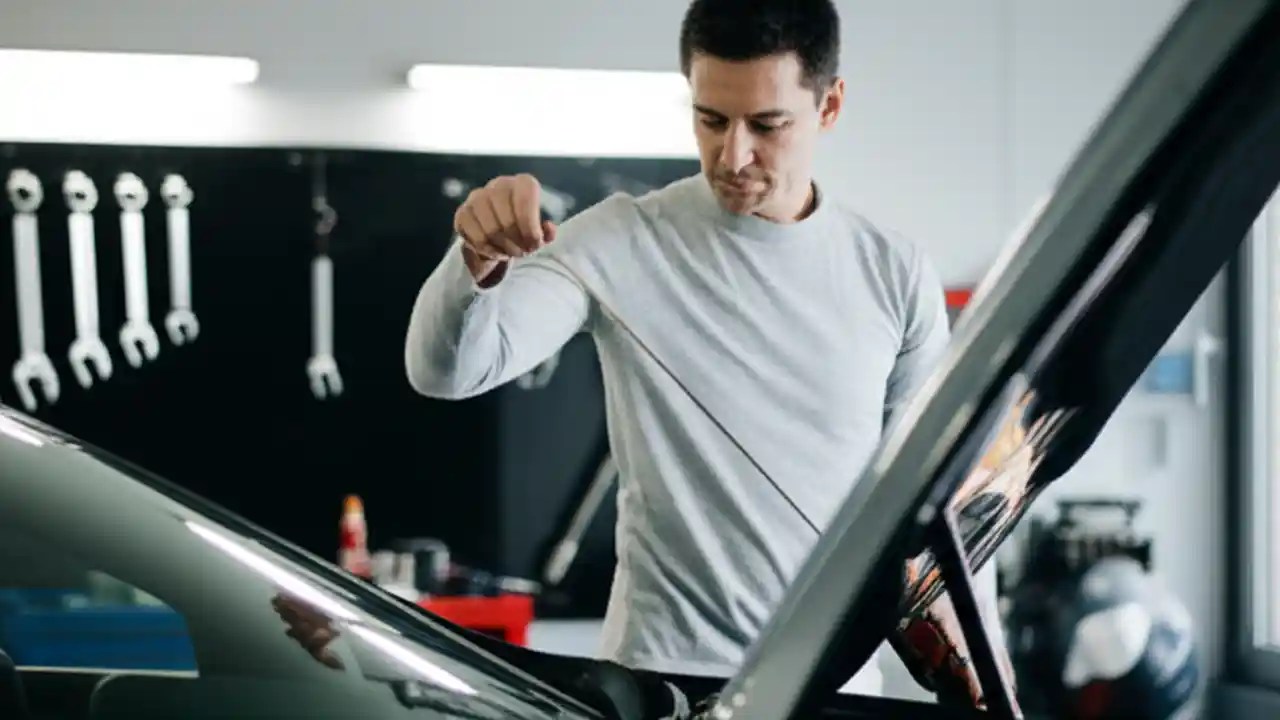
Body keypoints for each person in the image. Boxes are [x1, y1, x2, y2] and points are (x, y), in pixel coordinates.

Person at [404, 0, 1005, 699]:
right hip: (661, 679)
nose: (733, 154)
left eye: (767, 124)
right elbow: (445, 371)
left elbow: (942, 499)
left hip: (831, 681)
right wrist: (474, 259)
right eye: (710, 119)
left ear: (830, 105)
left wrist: (987, 666)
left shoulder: (893, 272)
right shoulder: (620, 240)